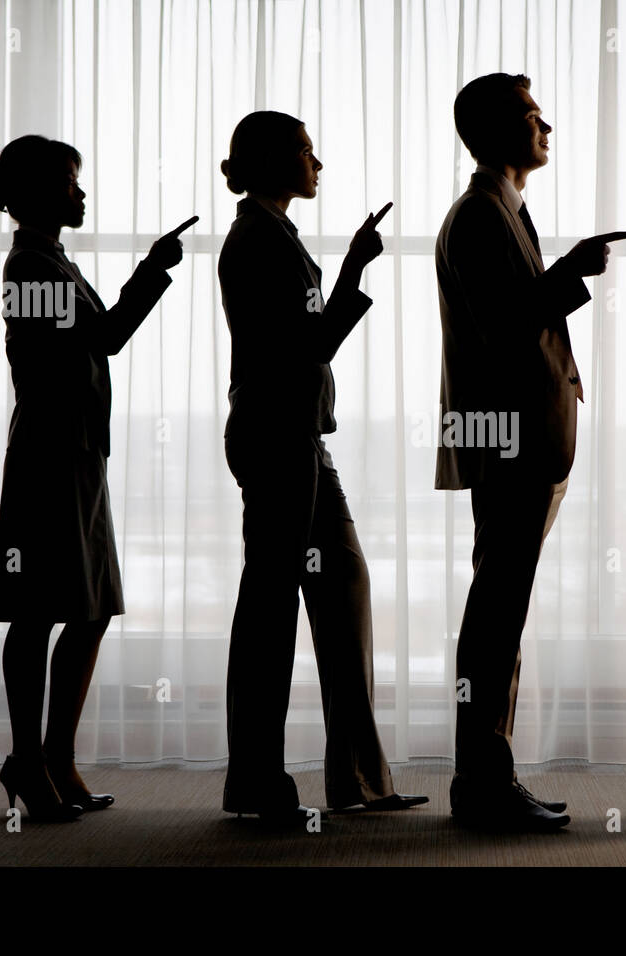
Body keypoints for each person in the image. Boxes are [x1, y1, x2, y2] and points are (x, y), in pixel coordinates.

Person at [217, 110, 427, 824]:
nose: (319, 162)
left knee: (341, 585)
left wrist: (348, 270)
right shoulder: (258, 240)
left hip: (298, 437)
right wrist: (356, 270)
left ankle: (360, 781)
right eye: (308, 150)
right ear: (275, 158)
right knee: (272, 609)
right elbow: (313, 345)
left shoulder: (272, 235)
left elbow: (306, 343)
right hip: (278, 437)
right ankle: (256, 786)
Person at [435, 74, 626, 831]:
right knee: (497, 615)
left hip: (523, 443)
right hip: (511, 442)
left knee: (501, 612)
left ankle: (488, 775)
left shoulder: (500, 210)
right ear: (490, 132)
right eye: (527, 113)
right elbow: (502, 327)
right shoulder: (482, 216)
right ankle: (482, 783)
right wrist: (570, 274)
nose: (544, 121)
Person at [0, 134, 194, 821]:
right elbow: (103, 337)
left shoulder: (48, 261)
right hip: (50, 454)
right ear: (42, 191)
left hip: (74, 453)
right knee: (40, 610)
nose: (82, 194)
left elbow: (94, 338)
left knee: (90, 606)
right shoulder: (32, 265)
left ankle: (51, 756)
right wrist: (153, 270)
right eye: (73, 183)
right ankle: (30, 758)